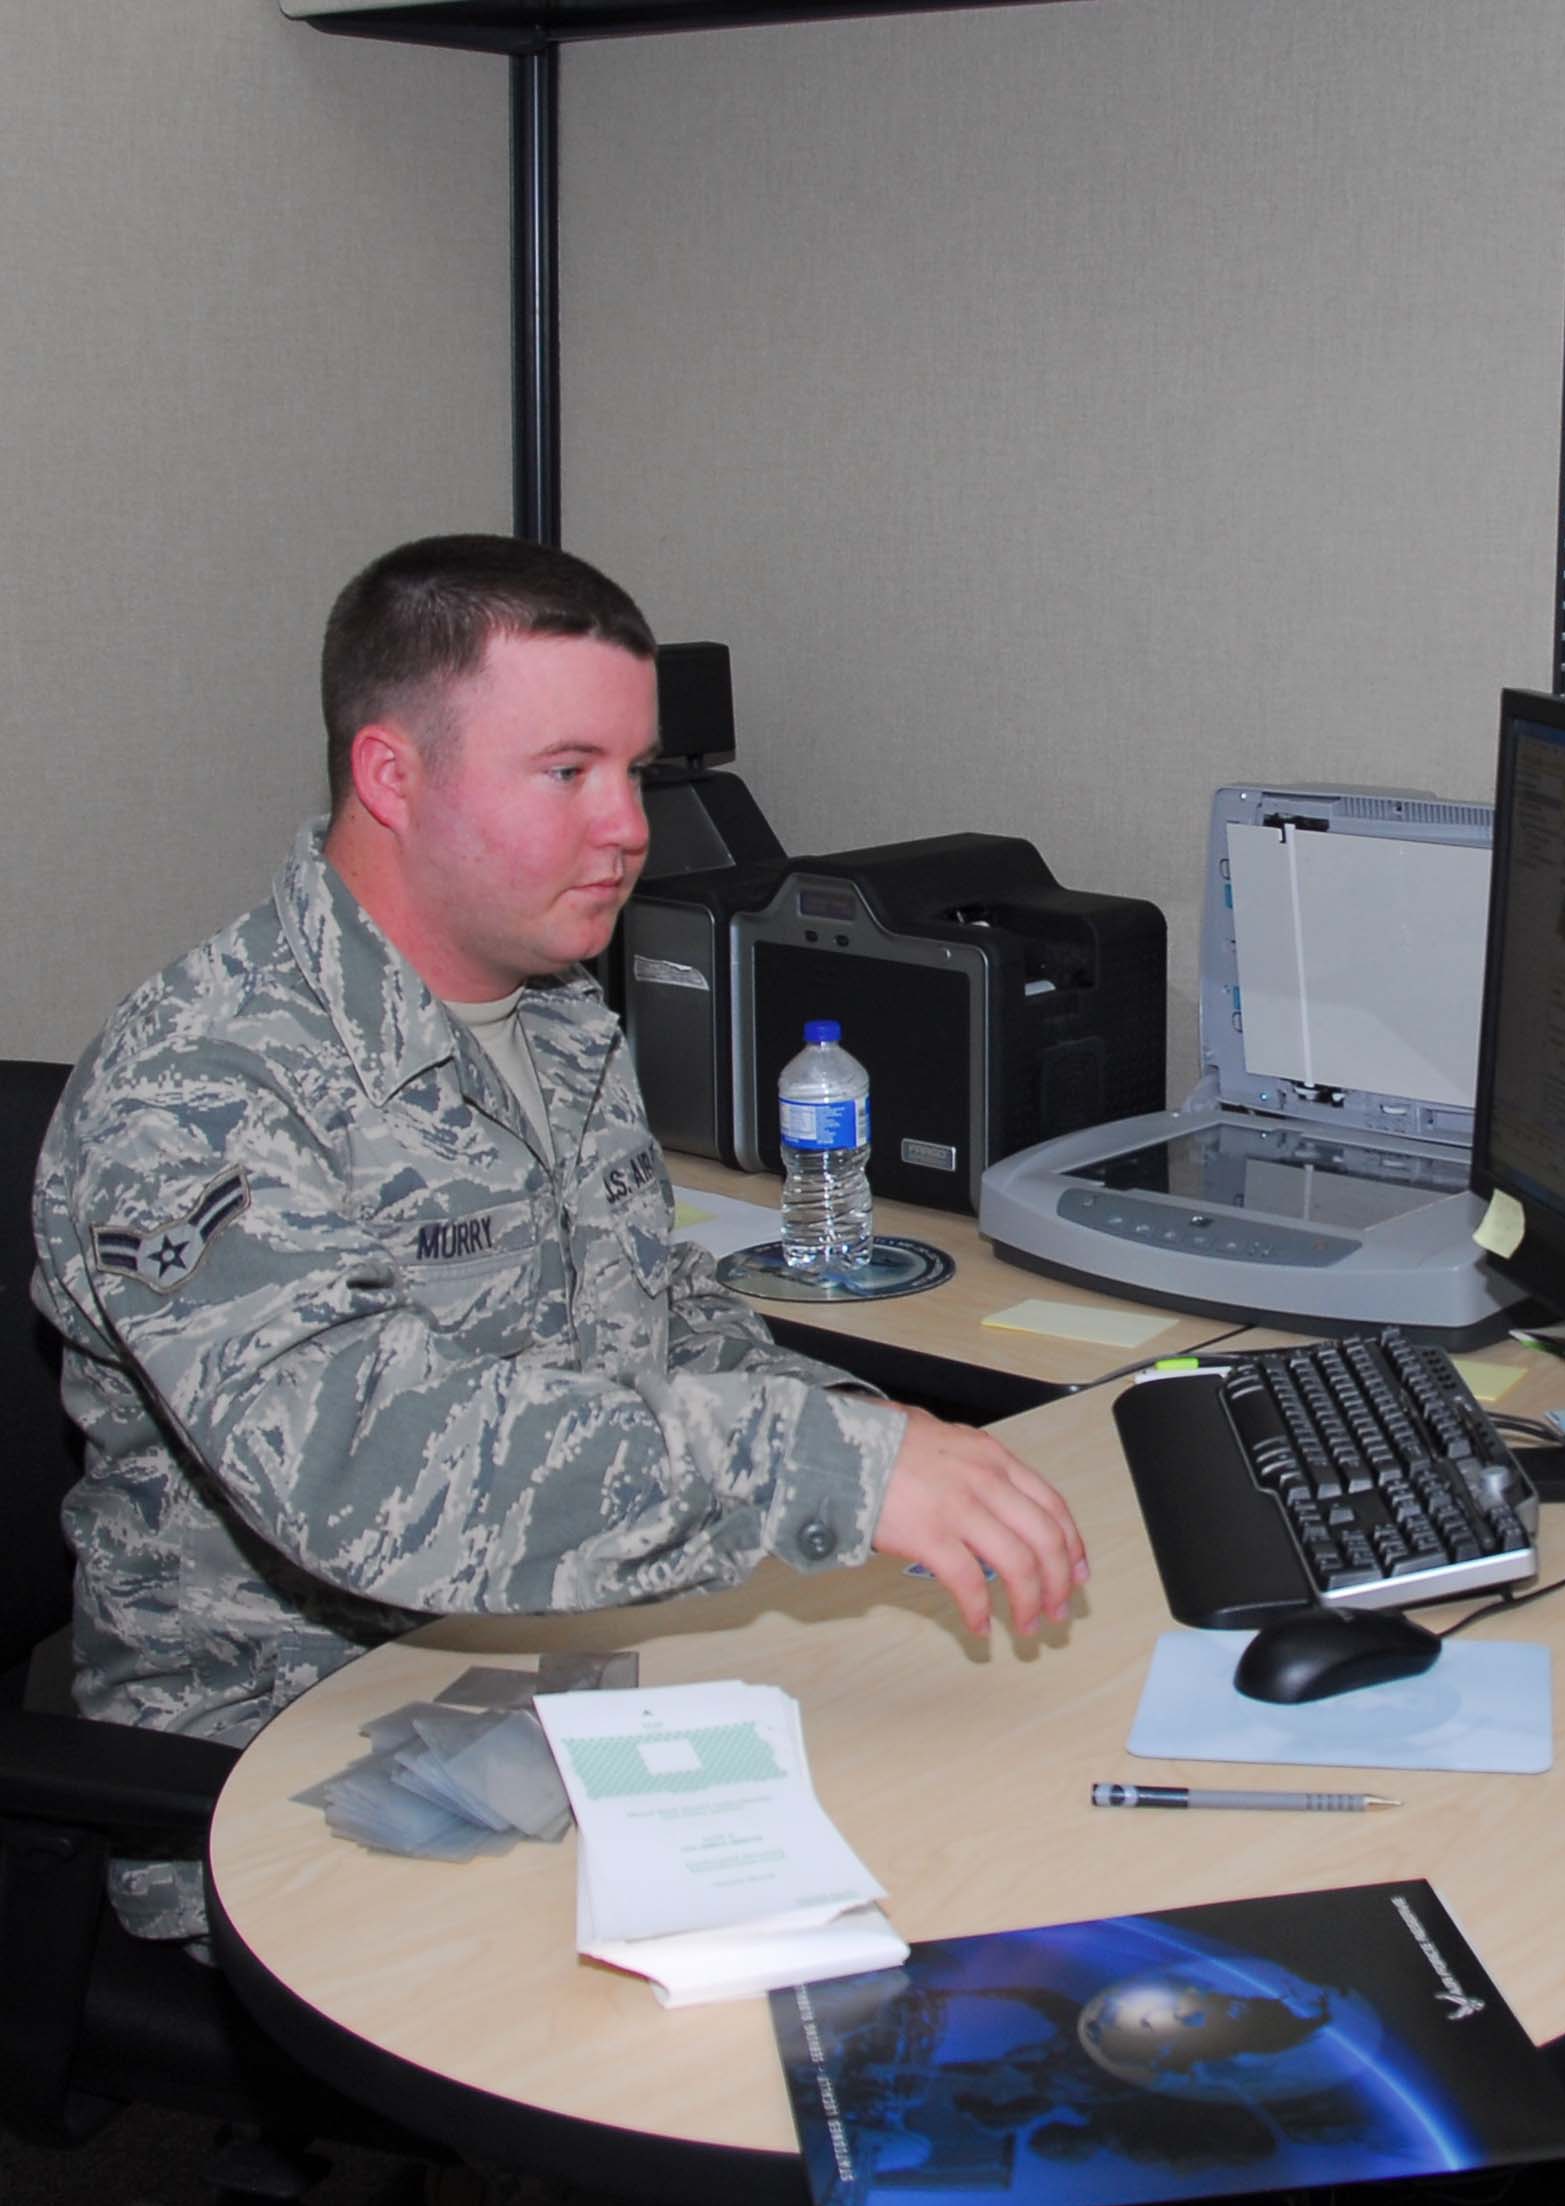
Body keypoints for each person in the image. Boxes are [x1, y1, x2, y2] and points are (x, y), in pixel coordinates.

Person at [34, 533, 1090, 1944]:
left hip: (560, 1664)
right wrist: (830, 1467)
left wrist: (879, 1439)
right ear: (392, 777)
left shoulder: (551, 1011)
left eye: (636, 773)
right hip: (293, 1770)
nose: (630, 829)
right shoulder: (205, 1086)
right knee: (878, 1976)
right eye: (568, 772)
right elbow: (362, 1468)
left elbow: (668, 1321)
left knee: (995, 1837)